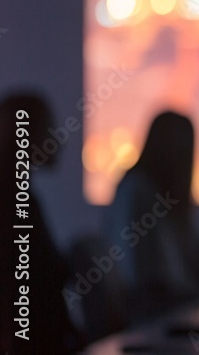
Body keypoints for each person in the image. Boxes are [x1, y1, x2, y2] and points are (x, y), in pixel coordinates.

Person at [105, 111, 199, 322]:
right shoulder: (138, 193)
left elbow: (196, 261)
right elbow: (147, 280)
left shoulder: (163, 198)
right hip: (159, 318)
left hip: (174, 311)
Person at [1, 91, 83, 354]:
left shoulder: (18, 193)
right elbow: (40, 278)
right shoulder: (15, 198)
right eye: (50, 127)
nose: (58, 137)